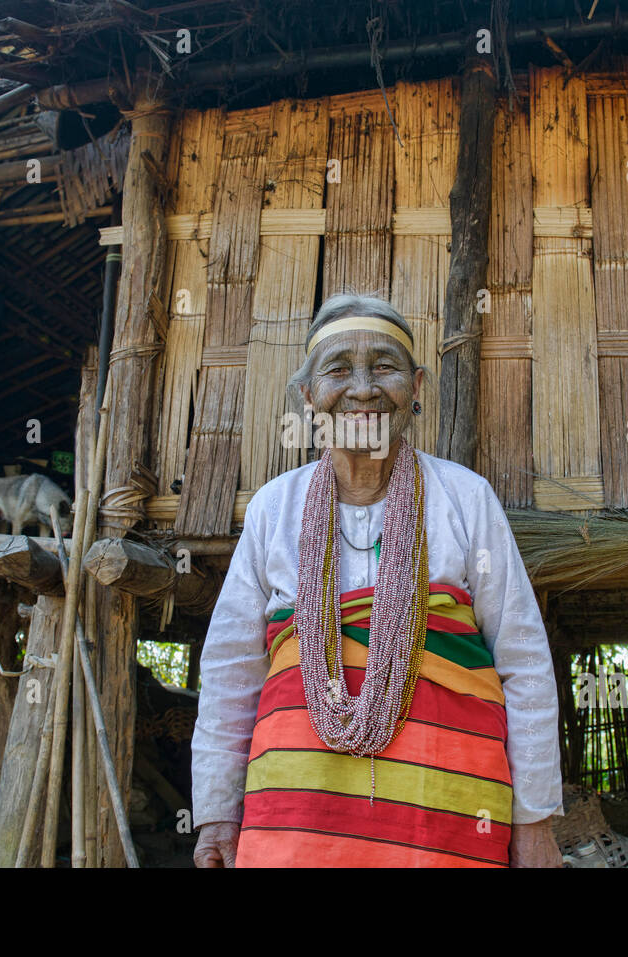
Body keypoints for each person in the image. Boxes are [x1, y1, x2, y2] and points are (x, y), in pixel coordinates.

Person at [191, 293, 563, 867]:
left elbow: (523, 660)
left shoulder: (465, 499)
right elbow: (230, 671)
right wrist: (217, 813)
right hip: (298, 823)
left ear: (415, 388)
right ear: (309, 395)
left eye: (384, 367)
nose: (363, 388)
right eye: (338, 370)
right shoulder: (274, 509)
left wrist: (534, 822)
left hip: (447, 818)